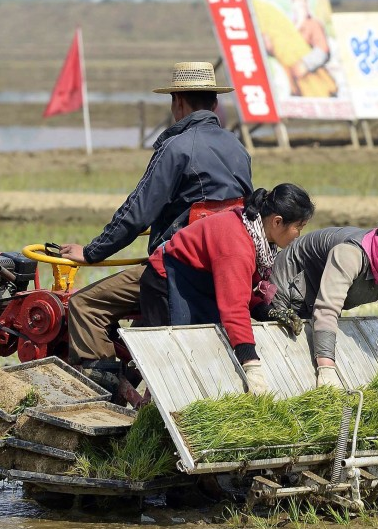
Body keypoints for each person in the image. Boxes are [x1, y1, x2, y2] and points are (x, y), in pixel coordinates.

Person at [57, 61, 253, 370]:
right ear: (214, 102)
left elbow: (136, 213)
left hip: (178, 268)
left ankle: (106, 391)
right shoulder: (237, 146)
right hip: (226, 267)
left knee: (85, 305)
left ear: (177, 102)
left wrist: (92, 252)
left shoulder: (177, 147)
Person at [265, 205, 378, 415]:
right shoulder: (351, 253)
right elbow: (327, 308)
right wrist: (326, 368)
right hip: (290, 284)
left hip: (319, 294)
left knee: (315, 344)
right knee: (289, 355)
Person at [139, 184, 315, 394]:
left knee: (203, 358)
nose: (299, 234)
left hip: (202, 285)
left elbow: (239, 287)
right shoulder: (237, 245)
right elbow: (234, 308)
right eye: (299, 227)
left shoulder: (256, 233)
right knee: (172, 363)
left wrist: (266, 311)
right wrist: (251, 365)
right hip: (170, 281)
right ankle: (154, 413)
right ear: (277, 222)